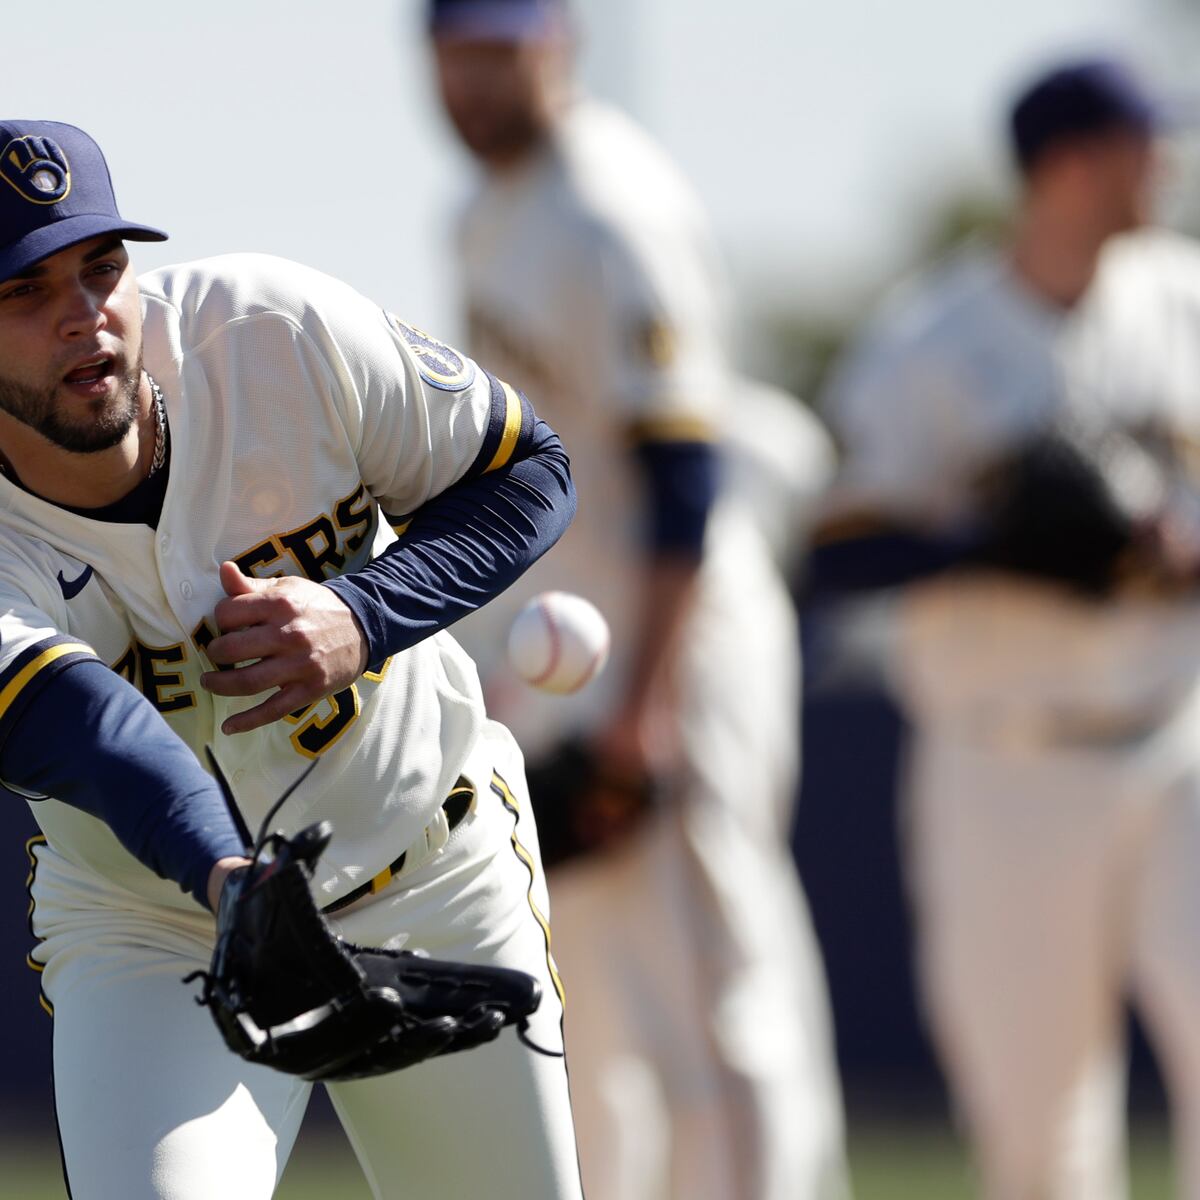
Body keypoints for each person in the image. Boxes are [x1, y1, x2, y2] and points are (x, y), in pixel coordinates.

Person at [0, 118, 584, 1199]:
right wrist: (235, 886)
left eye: (101, 268)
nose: (83, 315)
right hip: (156, 930)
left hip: (432, 866)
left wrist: (363, 613)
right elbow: (79, 722)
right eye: (22, 293)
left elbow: (527, 470)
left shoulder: (273, 329)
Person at [426, 3, 849, 1198]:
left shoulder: (613, 207)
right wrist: (519, 679)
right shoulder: (480, 214)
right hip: (568, 643)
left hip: (681, 633)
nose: (473, 81)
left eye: (500, 53)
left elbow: (684, 477)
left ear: (559, 49)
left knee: (723, 995)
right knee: (588, 1002)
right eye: (455, 56)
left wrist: (642, 713)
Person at [814, 58, 1200, 1199]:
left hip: (1178, 737)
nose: (1170, 165)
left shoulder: (1183, 297)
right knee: (1038, 1132)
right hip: (1006, 763)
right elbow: (837, 551)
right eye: (1150, 142)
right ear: (1072, 162)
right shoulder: (927, 345)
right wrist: (992, 547)